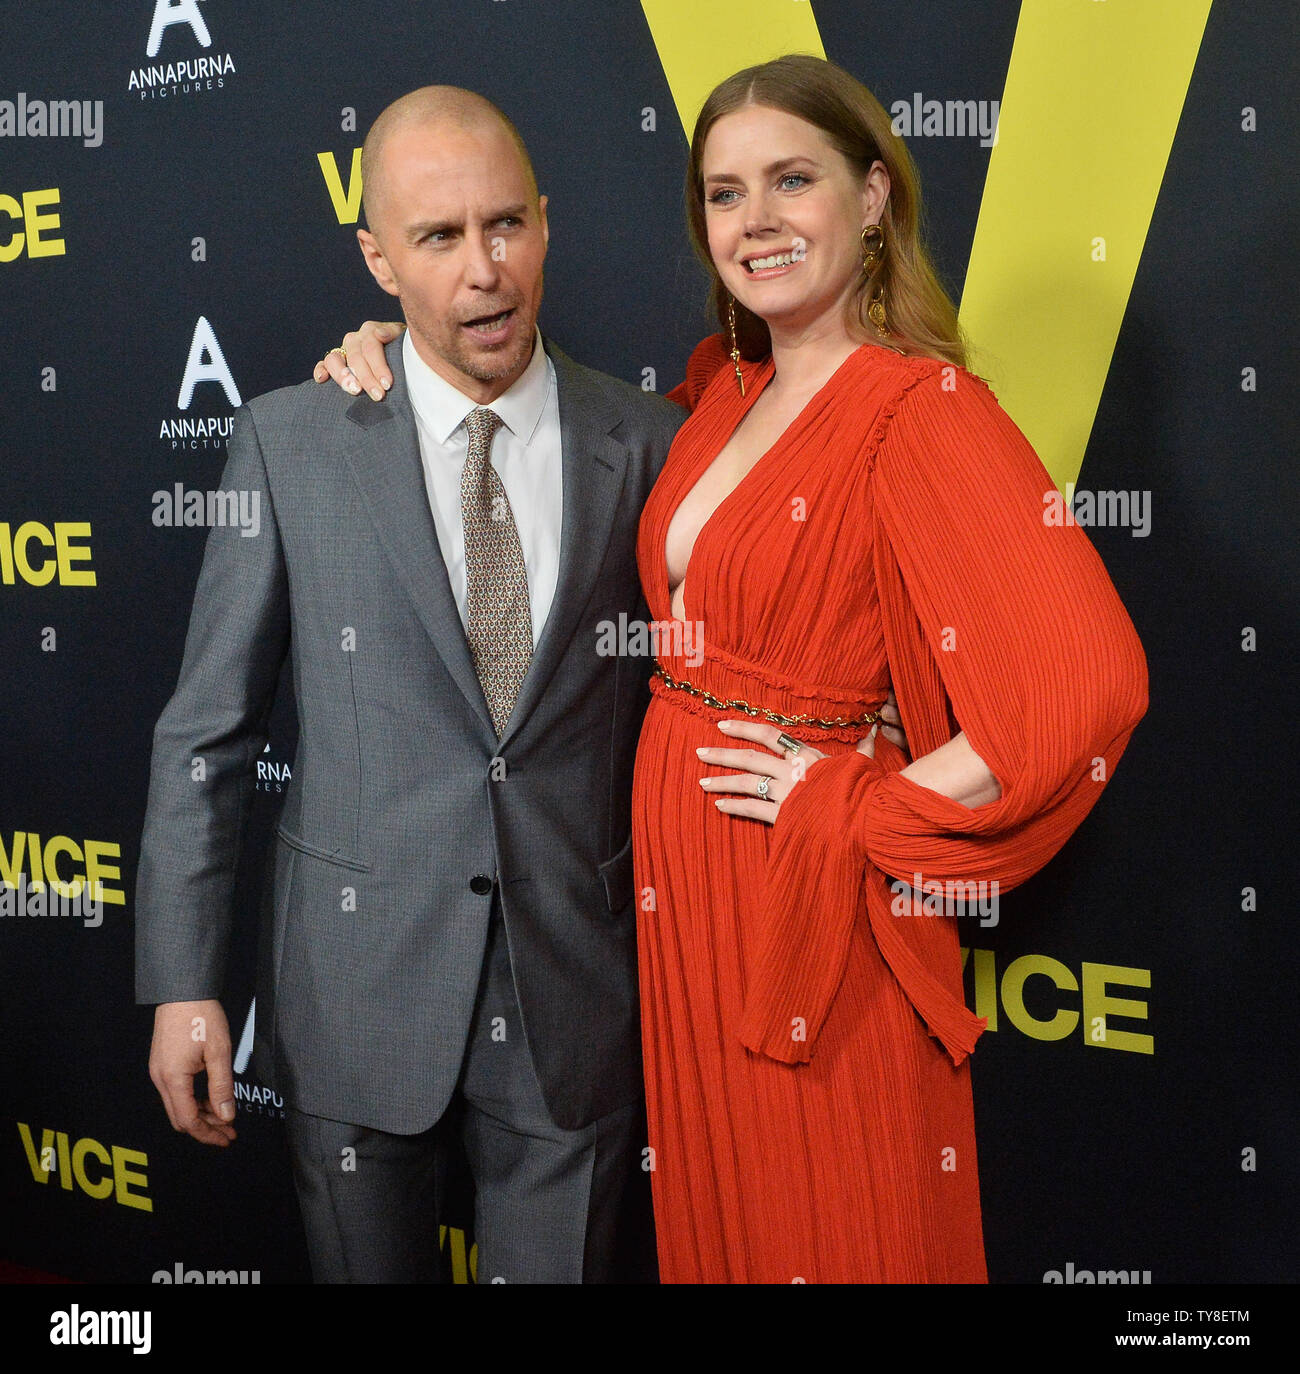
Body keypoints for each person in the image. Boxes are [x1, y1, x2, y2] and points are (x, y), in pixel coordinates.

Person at [319, 54, 1147, 1284]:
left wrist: (856, 804)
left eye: (791, 180)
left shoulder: (922, 411)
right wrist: (387, 354)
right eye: (722, 192)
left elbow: (1086, 693)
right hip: (682, 920)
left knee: (838, 1220)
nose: (754, 221)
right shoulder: (721, 394)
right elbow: (525, 419)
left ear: (872, 198)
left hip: (808, 914)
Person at [134, 86, 689, 1284]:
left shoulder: (649, 441)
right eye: (438, 238)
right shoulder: (289, 442)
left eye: (506, 226)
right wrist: (183, 986)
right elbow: (207, 735)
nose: (484, 270)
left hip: (574, 1005)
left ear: (546, 225)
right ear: (377, 259)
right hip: (355, 996)